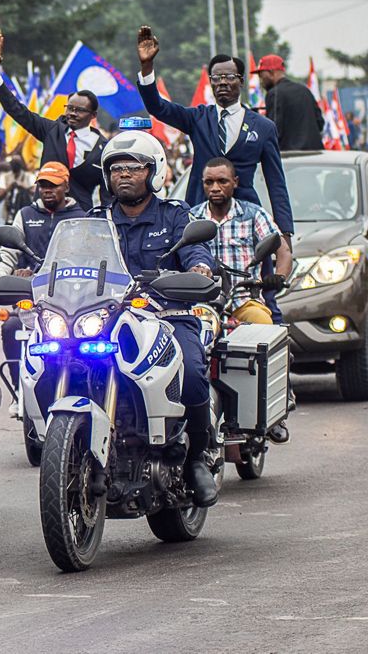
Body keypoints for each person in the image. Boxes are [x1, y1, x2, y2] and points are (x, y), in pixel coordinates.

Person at [93, 126, 218, 507]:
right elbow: (71, 259)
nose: (124, 175)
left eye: (134, 167)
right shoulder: (96, 219)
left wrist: (198, 271)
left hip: (168, 314)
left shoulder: (174, 216)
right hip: (109, 318)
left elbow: (198, 254)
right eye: (116, 169)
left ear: (155, 172)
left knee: (192, 373)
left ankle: (197, 456)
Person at [136, 25, 295, 239]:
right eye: (216, 78)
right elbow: (158, 107)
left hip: (246, 220)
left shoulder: (263, 127)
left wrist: (285, 231)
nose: (222, 83)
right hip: (200, 216)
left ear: (241, 80)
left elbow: (276, 182)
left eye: (229, 77)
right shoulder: (197, 118)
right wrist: (147, 66)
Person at [191, 156, 293, 443]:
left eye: (222, 181)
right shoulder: (193, 217)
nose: (215, 187)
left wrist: (279, 277)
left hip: (243, 300)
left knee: (265, 328)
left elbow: (282, 251)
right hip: (204, 305)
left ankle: (272, 412)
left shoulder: (253, 215)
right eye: (209, 182)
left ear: (235, 182)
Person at [0, 30, 107, 207]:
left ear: (93, 116)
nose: (72, 113)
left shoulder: (103, 147)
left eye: (79, 110)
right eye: (70, 108)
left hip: (81, 217)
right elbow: (17, 110)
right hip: (44, 212)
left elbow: (107, 191)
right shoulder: (52, 131)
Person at [0, 162, 88, 389]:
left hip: (69, 297)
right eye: (43, 185)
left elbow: (88, 257)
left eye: (53, 185)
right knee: (11, 327)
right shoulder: (25, 215)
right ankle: (19, 385)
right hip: (31, 296)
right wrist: (1, 279)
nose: (47, 190)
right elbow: (8, 252)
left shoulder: (82, 216)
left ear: (66, 186)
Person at [256, 55, 324, 151]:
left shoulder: (275, 93)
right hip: (316, 154)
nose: (261, 81)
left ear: (271, 73)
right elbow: (320, 123)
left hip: (291, 157)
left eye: (261, 76)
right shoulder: (304, 90)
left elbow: (273, 131)